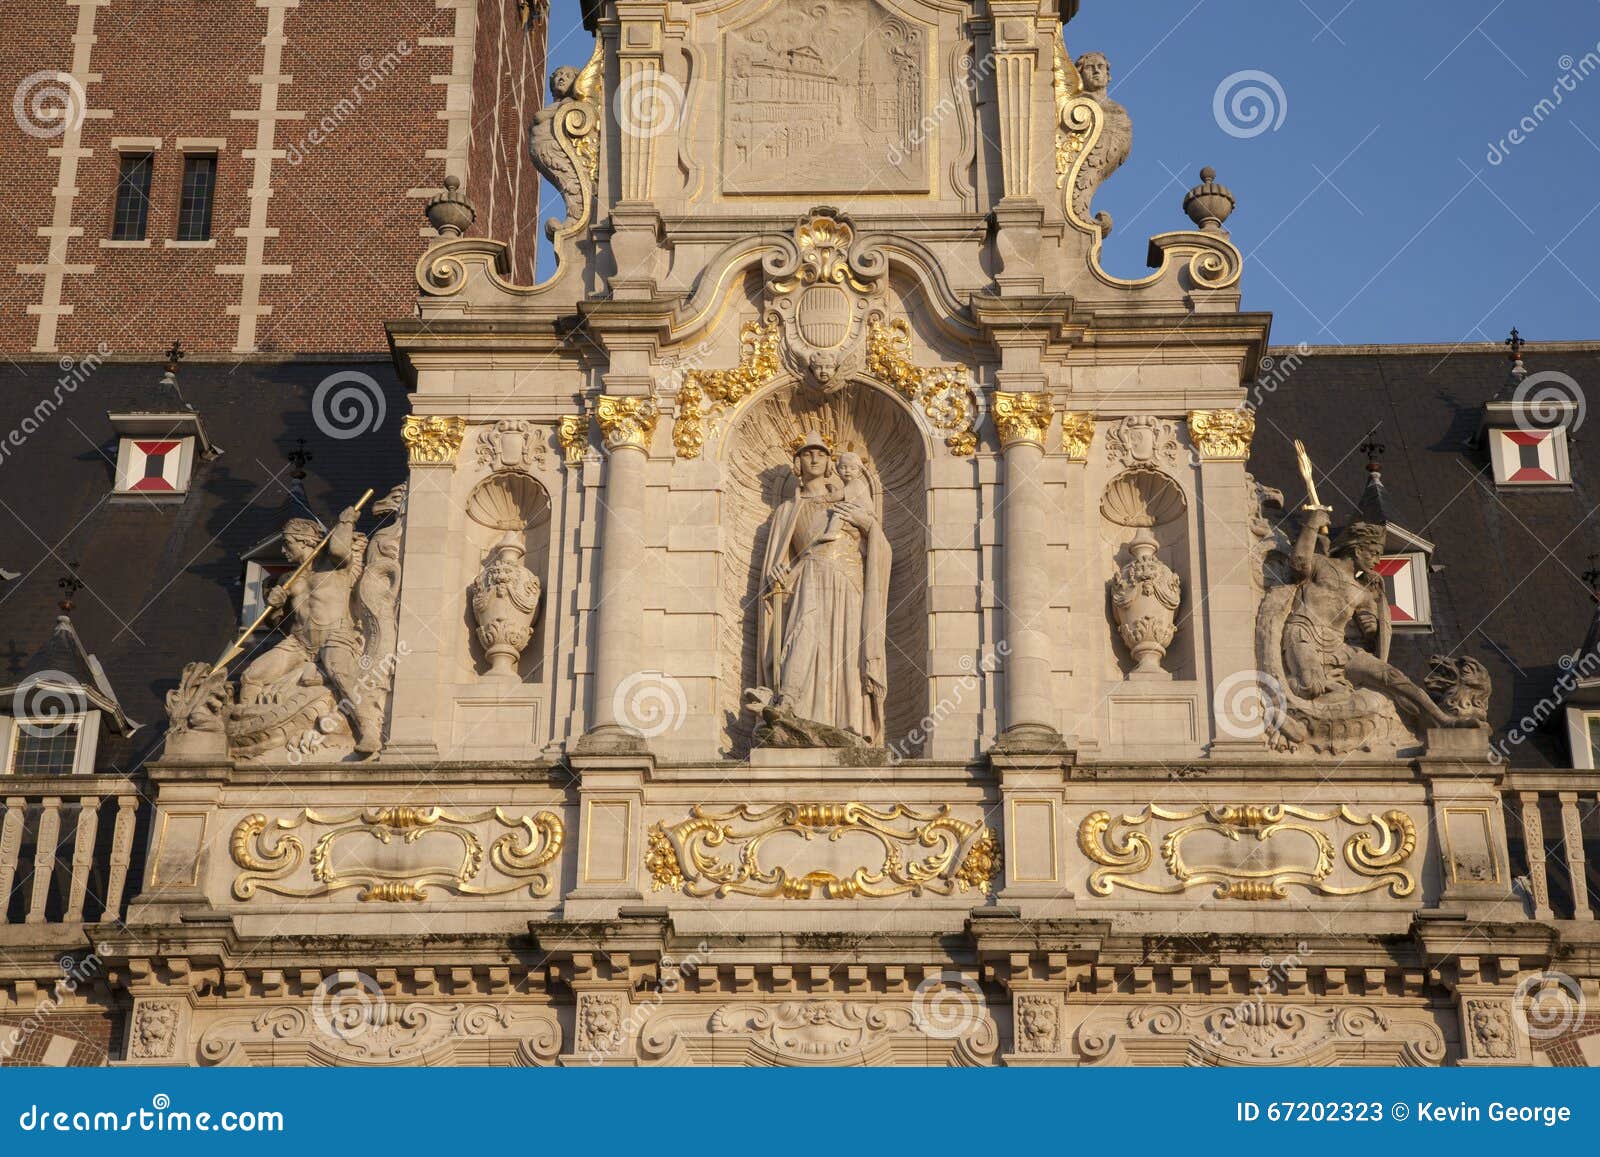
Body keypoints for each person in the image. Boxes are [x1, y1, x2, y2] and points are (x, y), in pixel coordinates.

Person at [757, 436, 890, 745]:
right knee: (804, 634)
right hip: (809, 577)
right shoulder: (787, 511)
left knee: (847, 647)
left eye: (820, 454)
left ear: (831, 462)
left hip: (848, 581)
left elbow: (877, 541)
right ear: (798, 463)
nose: (814, 459)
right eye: (807, 454)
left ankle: (849, 724)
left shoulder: (852, 498)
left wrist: (865, 523)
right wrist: (778, 571)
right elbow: (777, 565)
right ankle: (791, 704)